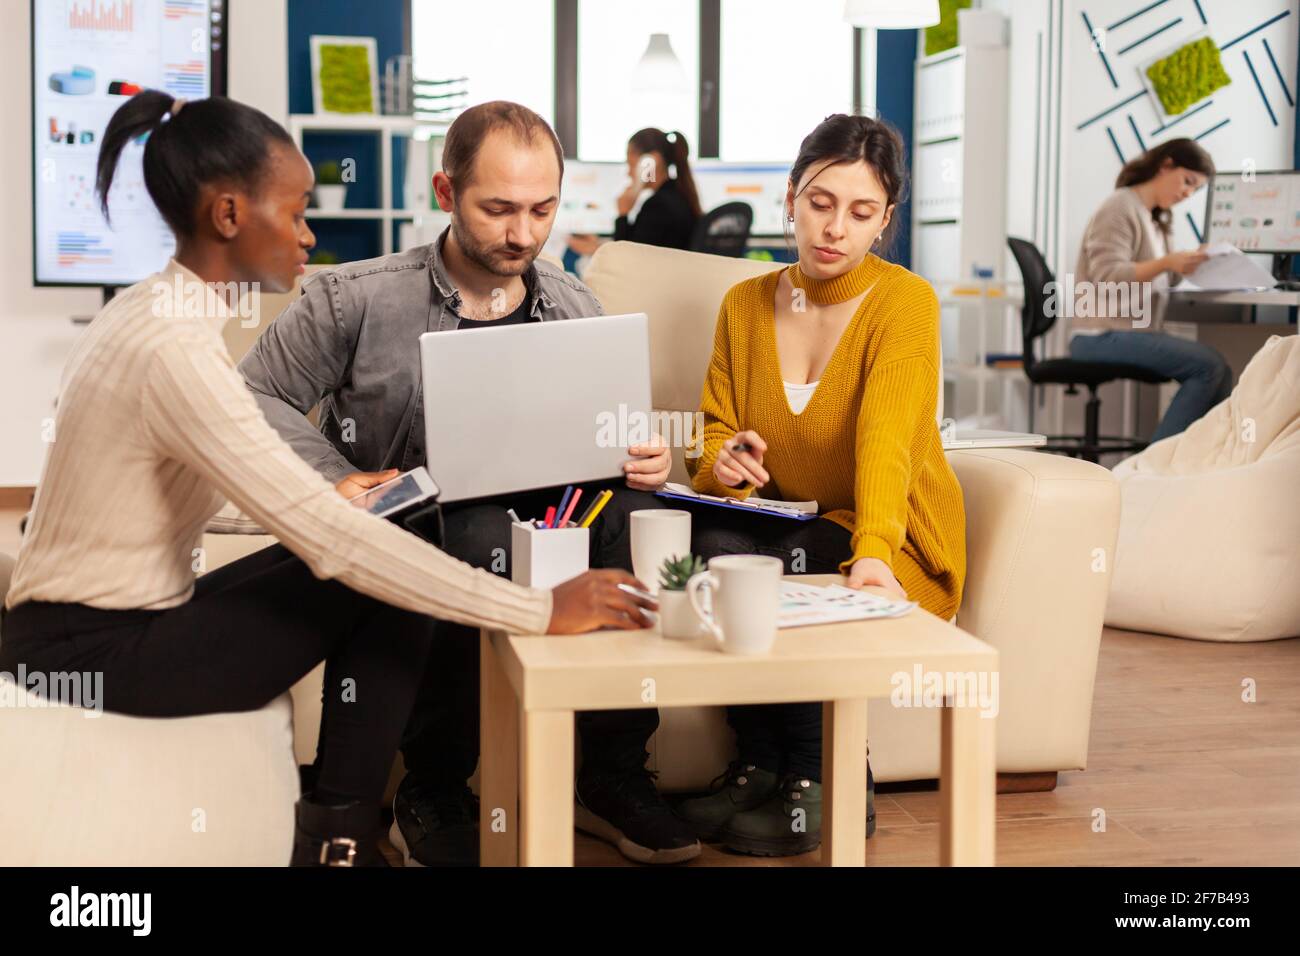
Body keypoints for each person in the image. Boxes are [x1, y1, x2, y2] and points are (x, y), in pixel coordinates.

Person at [0, 91, 655, 868]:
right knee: (377, 553)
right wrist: (536, 609)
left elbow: (234, 496)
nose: (310, 234)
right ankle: (339, 838)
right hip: (91, 651)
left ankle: (336, 830)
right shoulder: (173, 349)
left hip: (108, 622)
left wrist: (330, 495)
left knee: (394, 527)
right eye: (297, 210)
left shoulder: (163, 312)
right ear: (230, 216)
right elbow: (333, 548)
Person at [238, 100, 701, 867]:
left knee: (645, 516)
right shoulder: (355, 297)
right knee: (476, 538)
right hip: (433, 525)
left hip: (558, 511)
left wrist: (645, 454)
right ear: (446, 194)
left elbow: (620, 433)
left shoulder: (572, 302)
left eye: (542, 209)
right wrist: (336, 477)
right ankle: (434, 785)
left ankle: (609, 775)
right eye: (498, 209)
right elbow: (251, 395)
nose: (522, 234)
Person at [674, 113, 967, 857]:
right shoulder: (745, 304)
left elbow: (885, 443)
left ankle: (829, 776)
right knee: (716, 541)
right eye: (820, 202)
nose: (835, 228)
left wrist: (873, 553)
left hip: (886, 526)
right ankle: (760, 760)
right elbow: (711, 433)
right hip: (784, 516)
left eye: (861, 212)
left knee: (798, 557)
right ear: (792, 200)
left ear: (885, 221)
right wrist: (724, 463)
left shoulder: (905, 304)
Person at [1069, 137, 1231, 443]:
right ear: (1165, 164)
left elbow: (1163, 279)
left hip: (1132, 332)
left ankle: (1199, 466)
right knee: (1208, 366)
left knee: (1221, 370)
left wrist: (1195, 263)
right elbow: (1108, 275)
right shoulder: (1119, 206)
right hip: (1097, 335)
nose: (1187, 193)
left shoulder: (1156, 220)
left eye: (1195, 189)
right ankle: (1155, 466)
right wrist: (1168, 262)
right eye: (1187, 181)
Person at [567, 127, 702, 257]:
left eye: (631, 164)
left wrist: (623, 213)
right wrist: (598, 245)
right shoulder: (678, 197)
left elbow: (627, 259)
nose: (628, 173)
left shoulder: (658, 206)